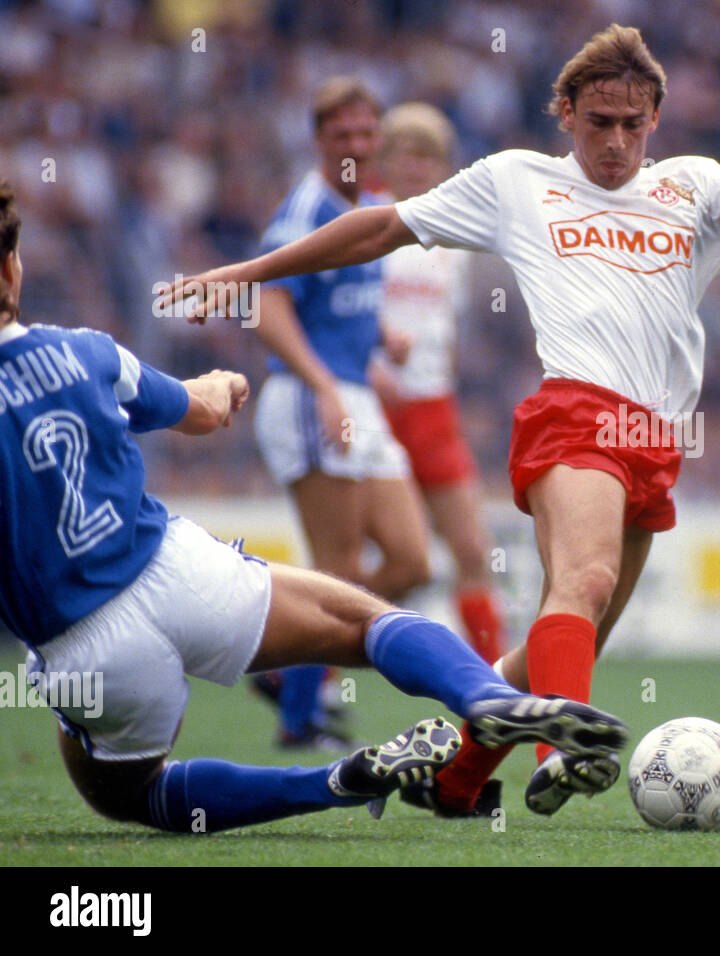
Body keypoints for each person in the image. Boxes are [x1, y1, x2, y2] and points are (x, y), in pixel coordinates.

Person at [169, 24, 720, 817]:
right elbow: (382, 226)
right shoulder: (517, 181)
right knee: (582, 582)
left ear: (656, 118)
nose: (616, 141)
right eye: (599, 122)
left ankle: (453, 781)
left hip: (653, 440)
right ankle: (563, 750)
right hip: (573, 415)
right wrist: (251, 271)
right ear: (565, 113)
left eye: (632, 124)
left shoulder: (697, 186)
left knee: (572, 630)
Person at [0, 180, 626, 834]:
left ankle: (332, 780)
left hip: (85, 646)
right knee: (364, 619)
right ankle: (487, 696)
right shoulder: (87, 352)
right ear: (13, 267)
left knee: (130, 795)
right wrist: (221, 383)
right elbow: (201, 410)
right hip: (178, 571)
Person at [250, 77, 435, 749]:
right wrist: (324, 385)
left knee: (411, 563)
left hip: (354, 394)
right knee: (337, 569)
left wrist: (382, 337)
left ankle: (292, 663)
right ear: (318, 140)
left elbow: (339, 298)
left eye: (365, 132)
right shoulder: (307, 211)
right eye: (341, 135)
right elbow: (265, 305)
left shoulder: (374, 205)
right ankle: (299, 717)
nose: (355, 145)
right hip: (310, 398)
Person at [370, 102, 505, 664]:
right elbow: (335, 313)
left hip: (433, 409)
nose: (416, 166)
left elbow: (447, 328)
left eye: (428, 156)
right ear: (383, 161)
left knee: (472, 551)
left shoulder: (454, 237)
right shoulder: (362, 222)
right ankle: (308, 675)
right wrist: (369, 365)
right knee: (384, 562)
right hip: (370, 409)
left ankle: (496, 684)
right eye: (405, 154)